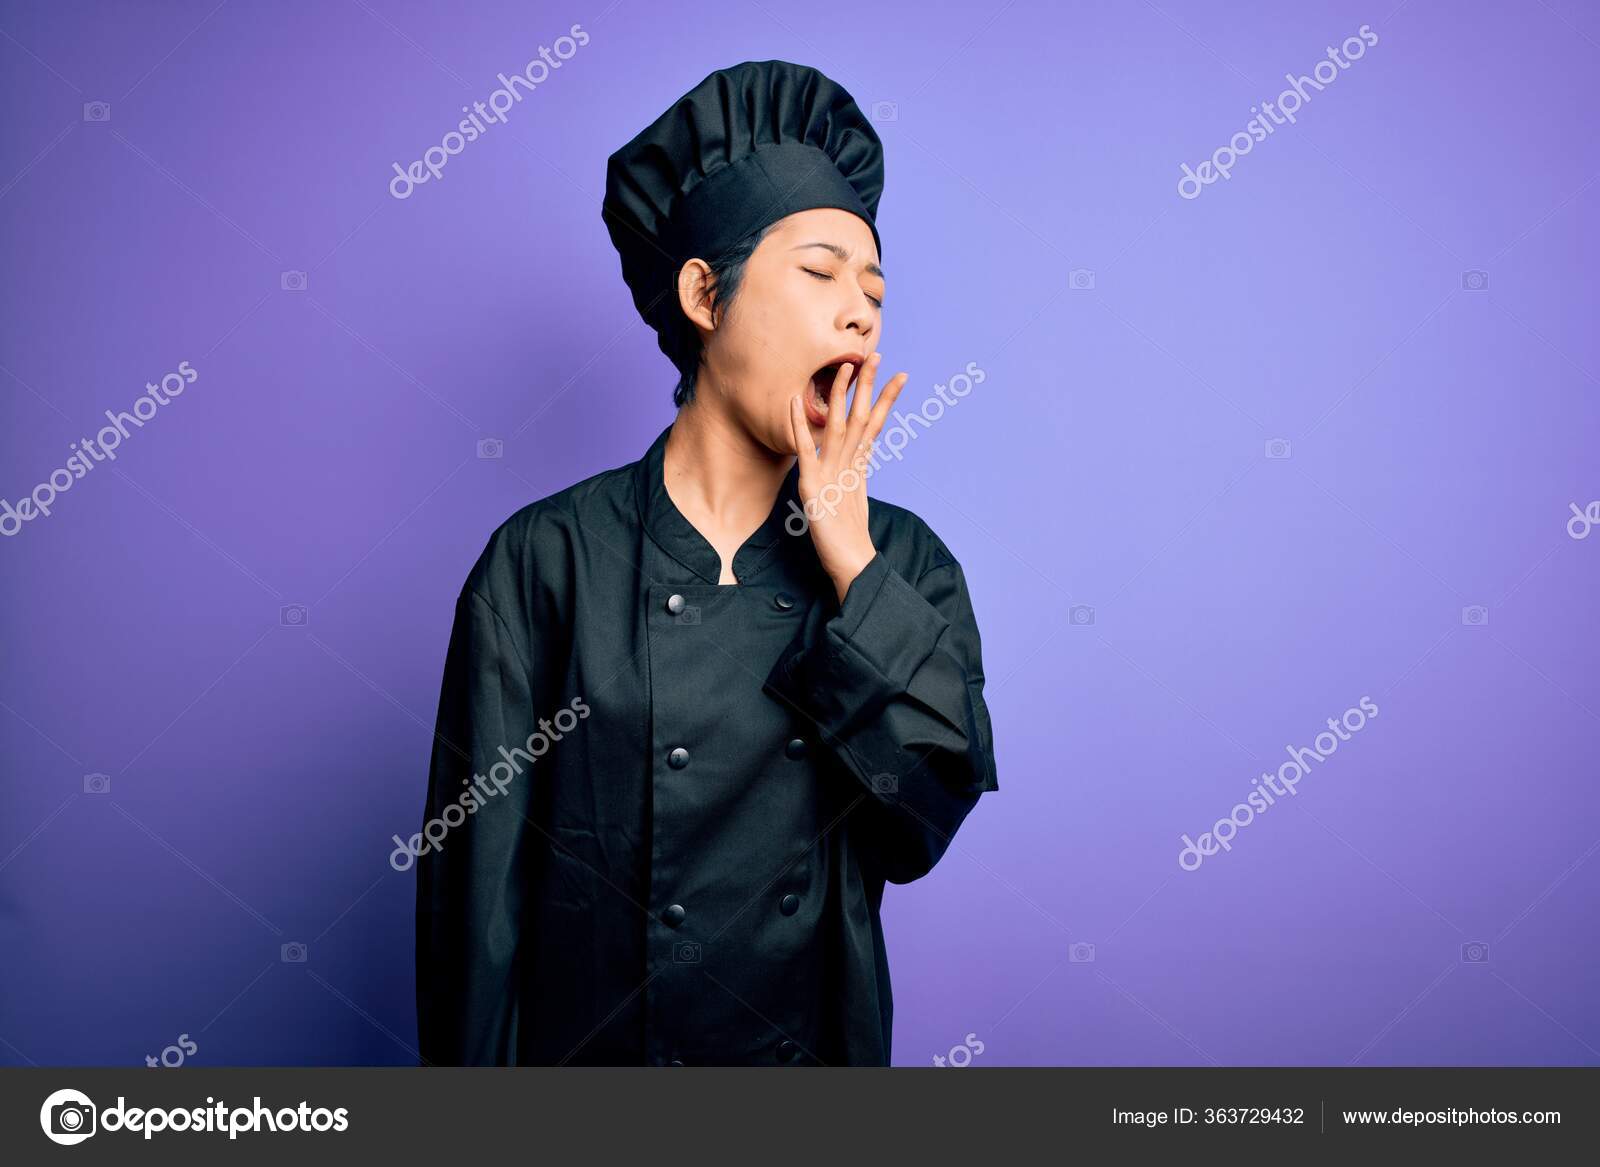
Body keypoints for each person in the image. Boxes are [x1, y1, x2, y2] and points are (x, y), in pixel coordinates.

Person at [415, 59, 999, 1067]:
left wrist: (847, 552)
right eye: (819, 272)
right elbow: (477, 906)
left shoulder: (902, 562)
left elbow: (919, 826)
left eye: (873, 290)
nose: (860, 311)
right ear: (702, 293)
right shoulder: (544, 560)